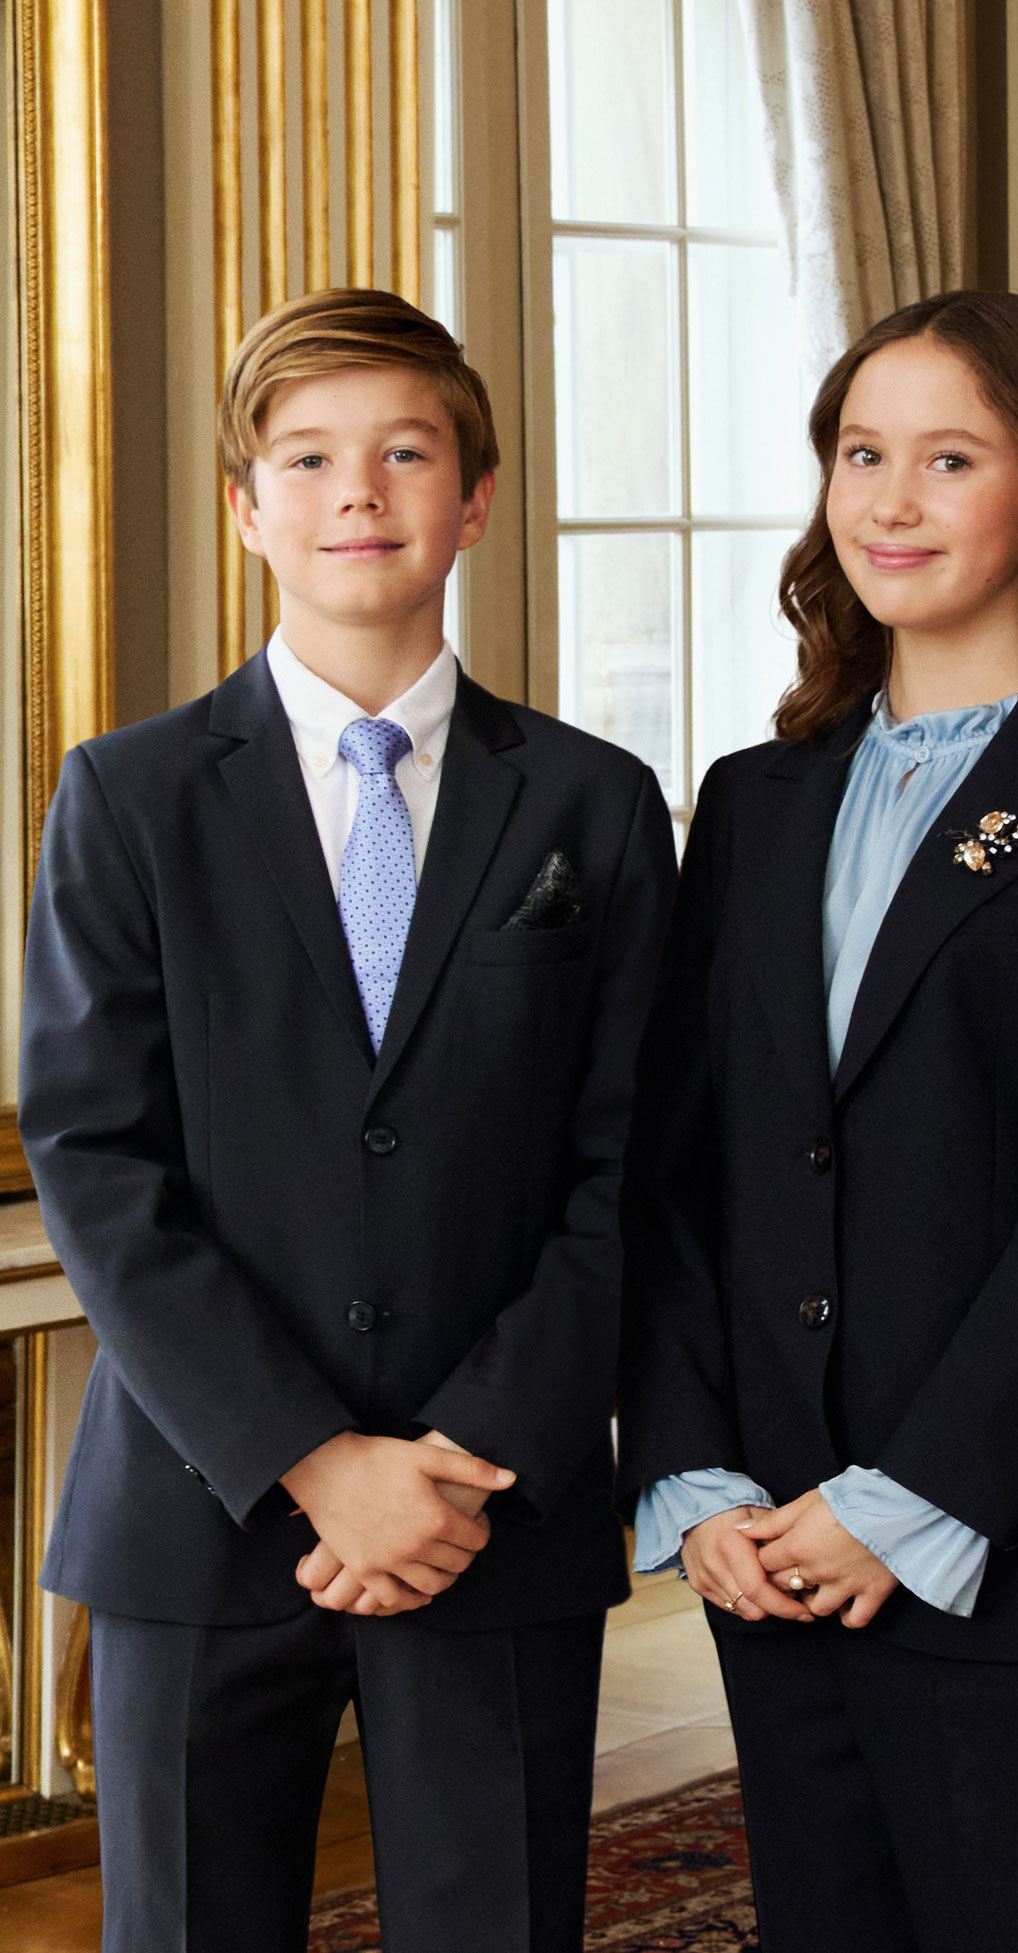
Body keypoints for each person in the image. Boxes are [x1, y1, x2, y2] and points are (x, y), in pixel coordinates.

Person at [20, 286, 676, 1953]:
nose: (358, 491)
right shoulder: (130, 794)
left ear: (476, 498)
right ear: (249, 509)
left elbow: (629, 1165)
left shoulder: (594, 803)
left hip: (491, 1504)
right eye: (306, 458)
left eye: (405, 451)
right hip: (202, 1495)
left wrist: (445, 1473)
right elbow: (100, 1162)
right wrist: (315, 1461)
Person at [617, 288, 1018, 1952]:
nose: (889, 501)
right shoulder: (756, 802)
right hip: (773, 1552)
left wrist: (904, 1498)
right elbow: (678, 1172)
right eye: (861, 453)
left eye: (949, 458)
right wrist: (695, 1473)